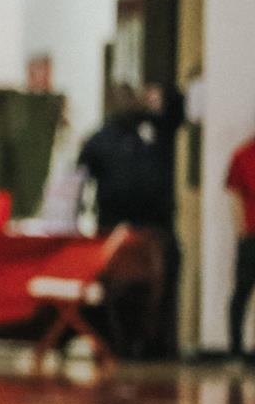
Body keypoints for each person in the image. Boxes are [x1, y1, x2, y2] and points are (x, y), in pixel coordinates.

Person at [78, 83, 183, 357]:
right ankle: (114, 343)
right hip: (116, 227)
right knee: (114, 290)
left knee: (159, 288)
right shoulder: (100, 140)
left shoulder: (154, 131)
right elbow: (78, 180)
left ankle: (156, 344)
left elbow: (180, 113)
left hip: (154, 227)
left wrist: (161, 100)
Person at [227, 131, 255, 359]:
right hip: (251, 235)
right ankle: (236, 350)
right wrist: (241, 231)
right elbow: (235, 193)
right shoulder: (243, 155)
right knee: (242, 291)